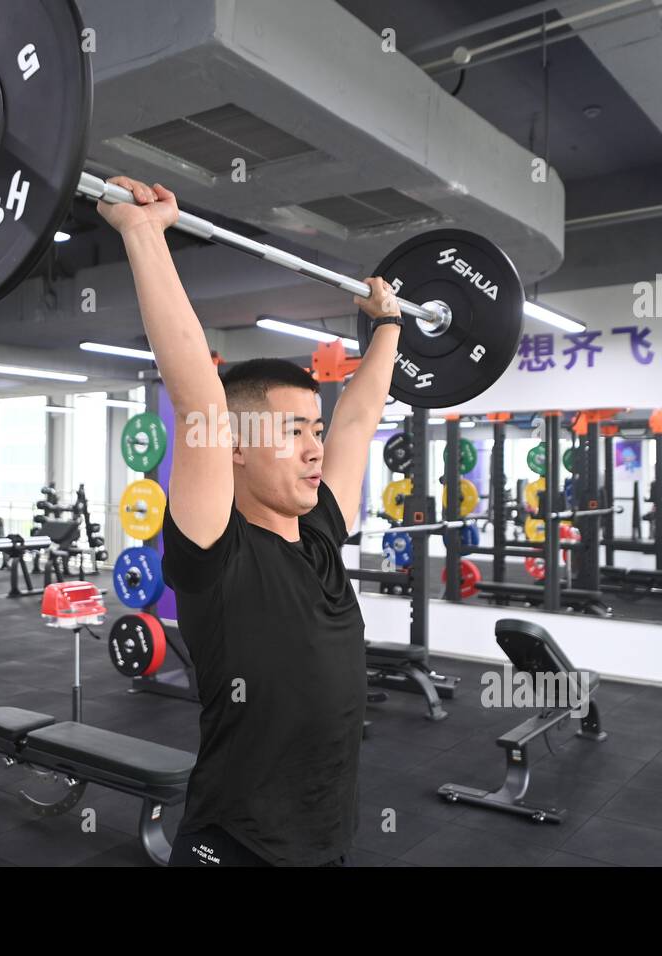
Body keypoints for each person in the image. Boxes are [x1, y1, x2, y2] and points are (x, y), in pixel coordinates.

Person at [97, 176, 405, 866]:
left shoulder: (322, 529)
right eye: (292, 430)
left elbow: (359, 418)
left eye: (312, 430)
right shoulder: (217, 553)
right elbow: (197, 398)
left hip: (326, 843)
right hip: (236, 847)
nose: (313, 447)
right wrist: (145, 235)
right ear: (233, 446)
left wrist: (387, 324)